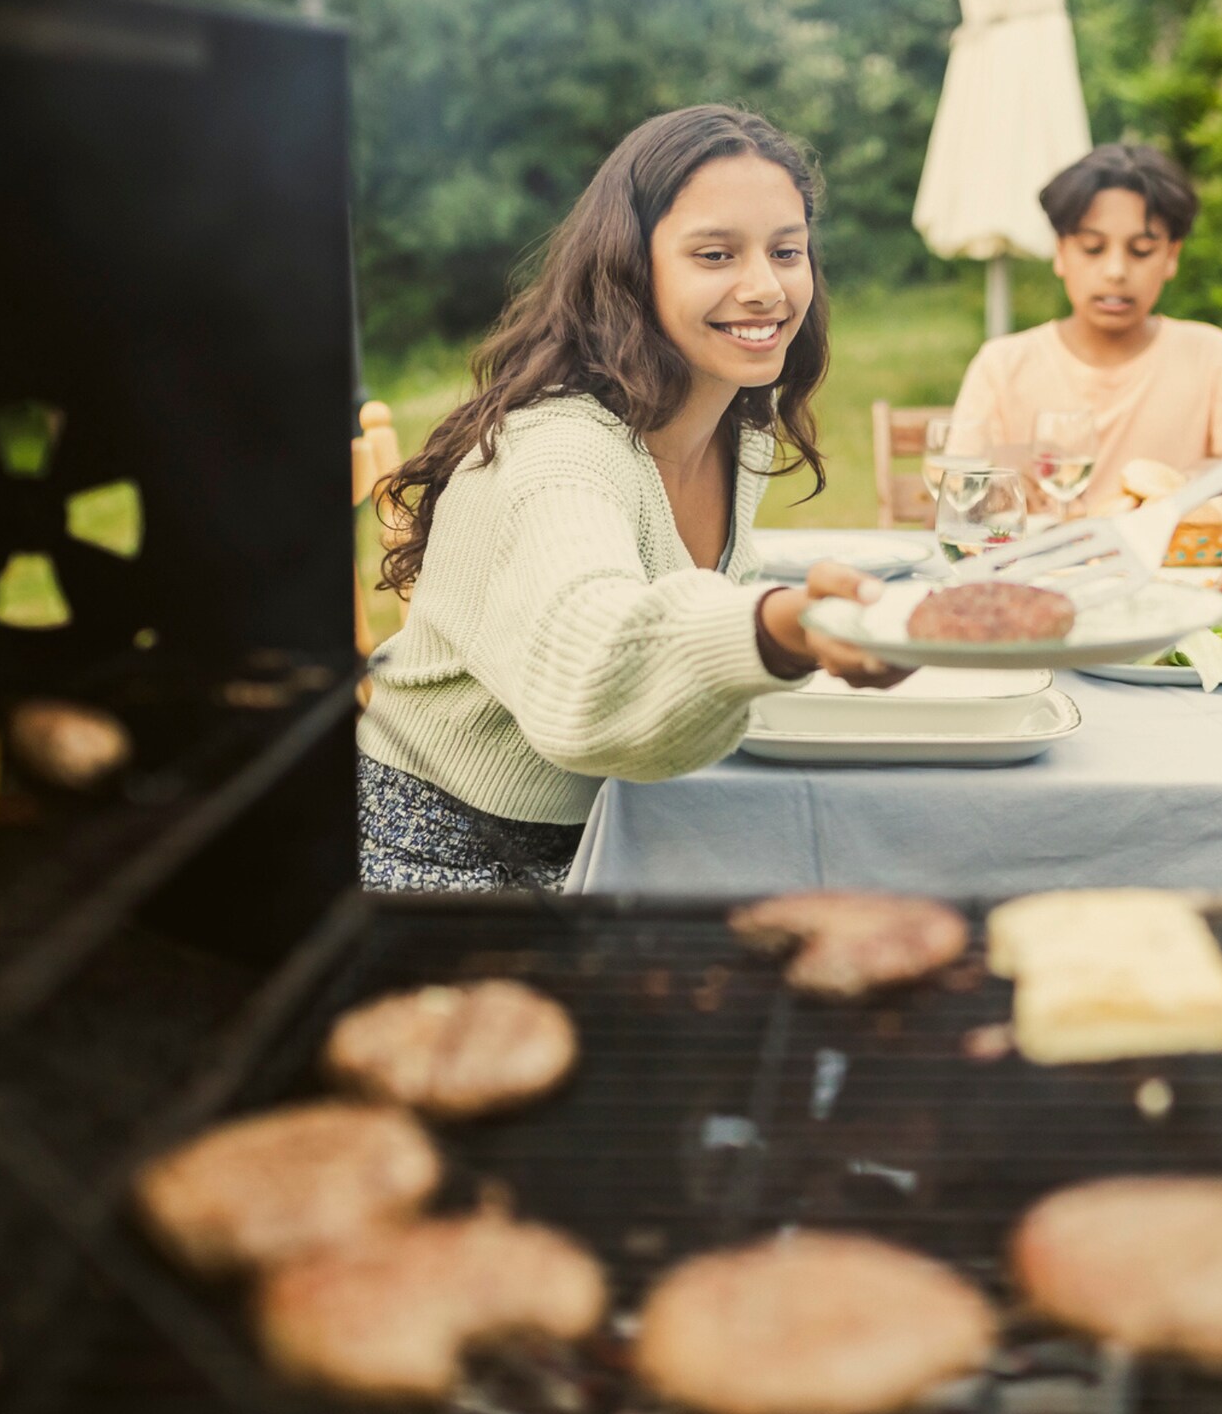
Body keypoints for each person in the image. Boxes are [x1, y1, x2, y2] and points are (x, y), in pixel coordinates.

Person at [357, 105, 904, 892]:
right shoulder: (560, 447)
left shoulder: (735, 430)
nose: (764, 287)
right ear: (630, 267)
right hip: (448, 864)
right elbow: (590, 662)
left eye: (787, 250)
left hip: (630, 830)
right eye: (715, 254)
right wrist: (780, 628)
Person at [942, 143, 1222, 512]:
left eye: (1141, 251)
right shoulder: (1003, 364)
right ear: (1060, 252)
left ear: (1171, 256)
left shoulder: (1208, 354)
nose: (1115, 271)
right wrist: (998, 477)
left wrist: (1201, 479)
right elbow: (952, 507)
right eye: (1092, 248)